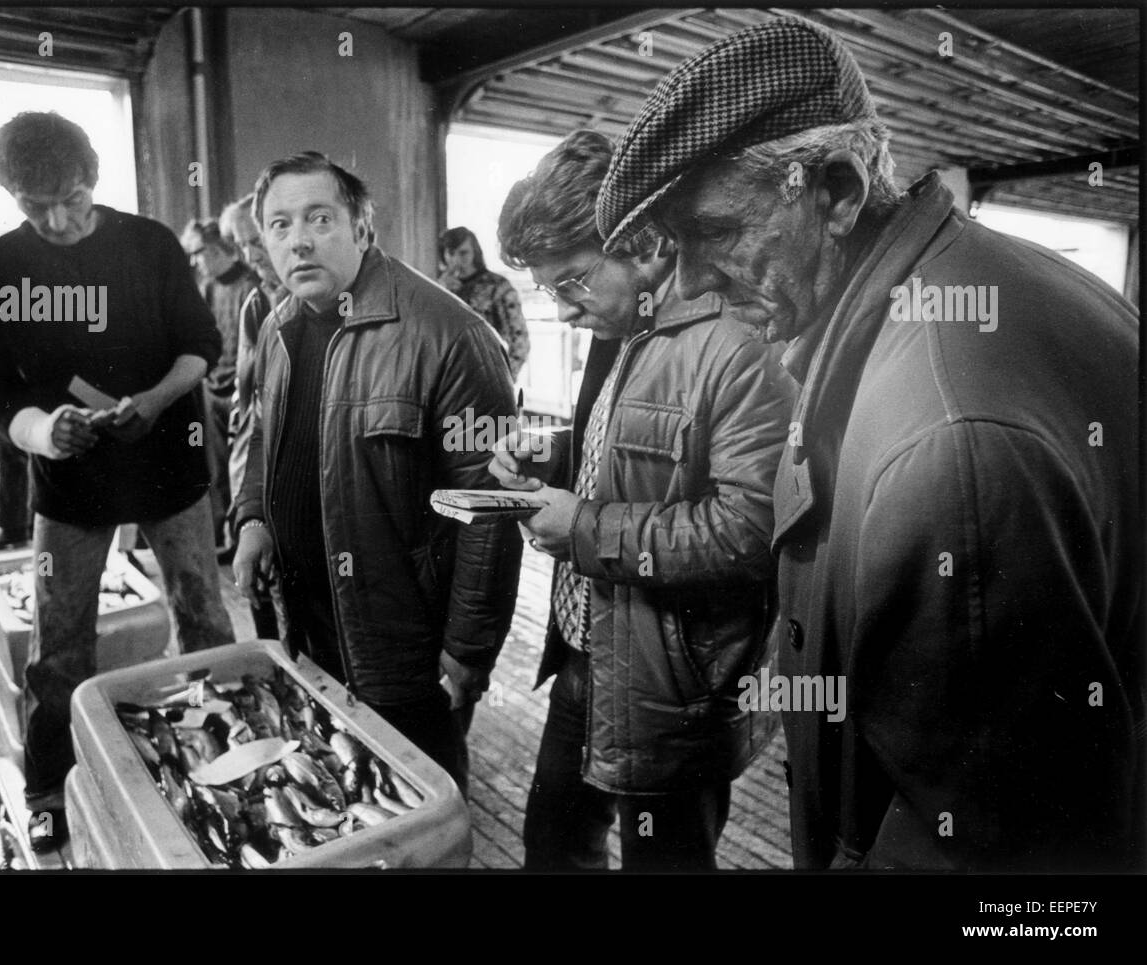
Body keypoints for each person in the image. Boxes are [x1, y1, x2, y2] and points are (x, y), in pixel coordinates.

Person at [598, 16, 1144, 872]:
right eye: (674, 247)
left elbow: (995, 862)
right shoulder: (968, 284)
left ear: (839, 190)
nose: (691, 283)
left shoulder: (947, 447)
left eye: (714, 232)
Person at [490, 130, 793, 870]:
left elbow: (750, 531)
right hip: (587, 656)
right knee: (554, 849)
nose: (562, 310)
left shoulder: (739, 343)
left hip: (674, 691)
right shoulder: (627, 323)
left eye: (570, 282)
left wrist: (585, 528)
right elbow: (640, 452)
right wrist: (556, 453)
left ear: (649, 242)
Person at [0, 111, 235, 850]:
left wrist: (154, 401)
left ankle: (224, 760)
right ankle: (48, 784)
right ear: (10, 194)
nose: (57, 219)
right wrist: (45, 431)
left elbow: (200, 346)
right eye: (34, 204)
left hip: (167, 469)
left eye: (73, 196)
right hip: (69, 486)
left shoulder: (149, 245)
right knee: (59, 647)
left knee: (203, 619)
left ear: (95, 177)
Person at [233, 152, 522, 793]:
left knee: (417, 809)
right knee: (340, 794)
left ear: (362, 231)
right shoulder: (279, 325)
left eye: (320, 218)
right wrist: (254, 517)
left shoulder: (451, 334)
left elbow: (490, 509)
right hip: (304, 623)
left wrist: (469, 649)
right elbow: (264, 439)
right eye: (279, 225)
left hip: (401, 645)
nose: (298, 239)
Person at [219, 195, 286, 639]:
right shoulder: (255, 305)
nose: (251, 255)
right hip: (254, 469)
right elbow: (248, 401)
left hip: (290, 478)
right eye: (242, 246)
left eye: (256, 241)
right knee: (261, 598)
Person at [180, 218, 259, 559]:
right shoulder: (210, 287)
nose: (197, 262)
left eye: (200, 253)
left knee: (245, 470)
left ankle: (247, 539)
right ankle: (230, 540)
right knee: (221, 472)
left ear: (216, 249)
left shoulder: (250, 283)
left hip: (243, 392)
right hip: (214, 389)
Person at [438, 227, 529, 380]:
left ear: (475, 252)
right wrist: (440, 292)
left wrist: (505, 379)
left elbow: (519, 338)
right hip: (448, 378)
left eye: (463, 253)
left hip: (486, 374)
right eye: (451, 253)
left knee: (471, 406)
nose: (456, 260)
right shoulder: (437, 288)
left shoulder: (498, 286)